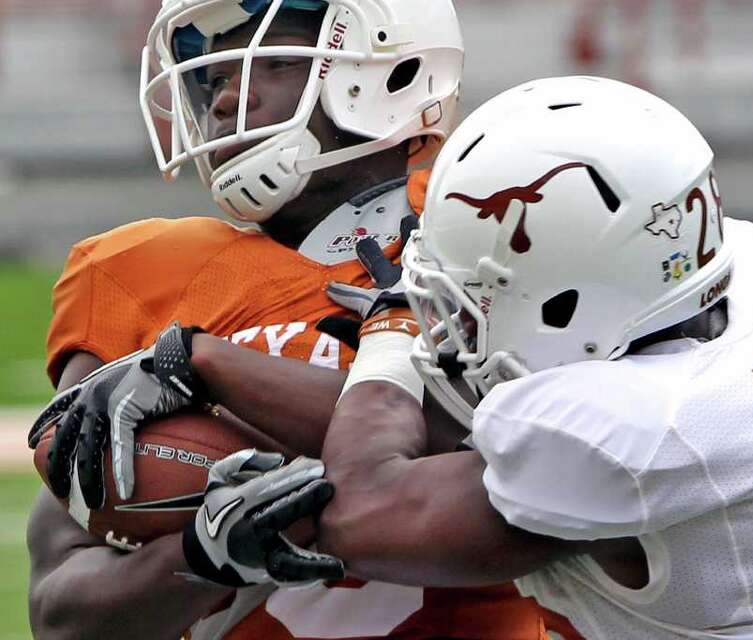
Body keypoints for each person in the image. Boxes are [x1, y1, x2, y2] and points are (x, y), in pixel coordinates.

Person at [189, 76, 753, 638]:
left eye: (469, 294)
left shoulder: (632, 434)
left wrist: (390, 335)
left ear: (570, 299)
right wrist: (206, 364)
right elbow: (459, 429)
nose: (441, 321)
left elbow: (363, 509)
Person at [26, 1, 573, 638]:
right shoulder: (140, 273)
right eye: (218, 79)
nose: (227, 101)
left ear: (386, 73)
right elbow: (61, 614)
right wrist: (202, 556)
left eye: (275, 61)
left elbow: (551, 462)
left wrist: (217, 367)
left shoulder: (498, 230)